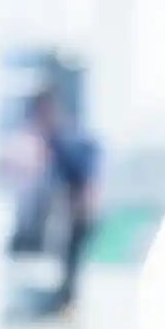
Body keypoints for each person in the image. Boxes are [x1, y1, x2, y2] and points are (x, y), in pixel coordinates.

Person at [21, 87, 99, 315]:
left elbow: (86, 172)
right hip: (73, 205)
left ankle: (71, 303)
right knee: (70, 256)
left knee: (77, 256)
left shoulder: (68, 138)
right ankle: (68, 302)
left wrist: (85, 200)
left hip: (83, 207)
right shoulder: (56, 138)